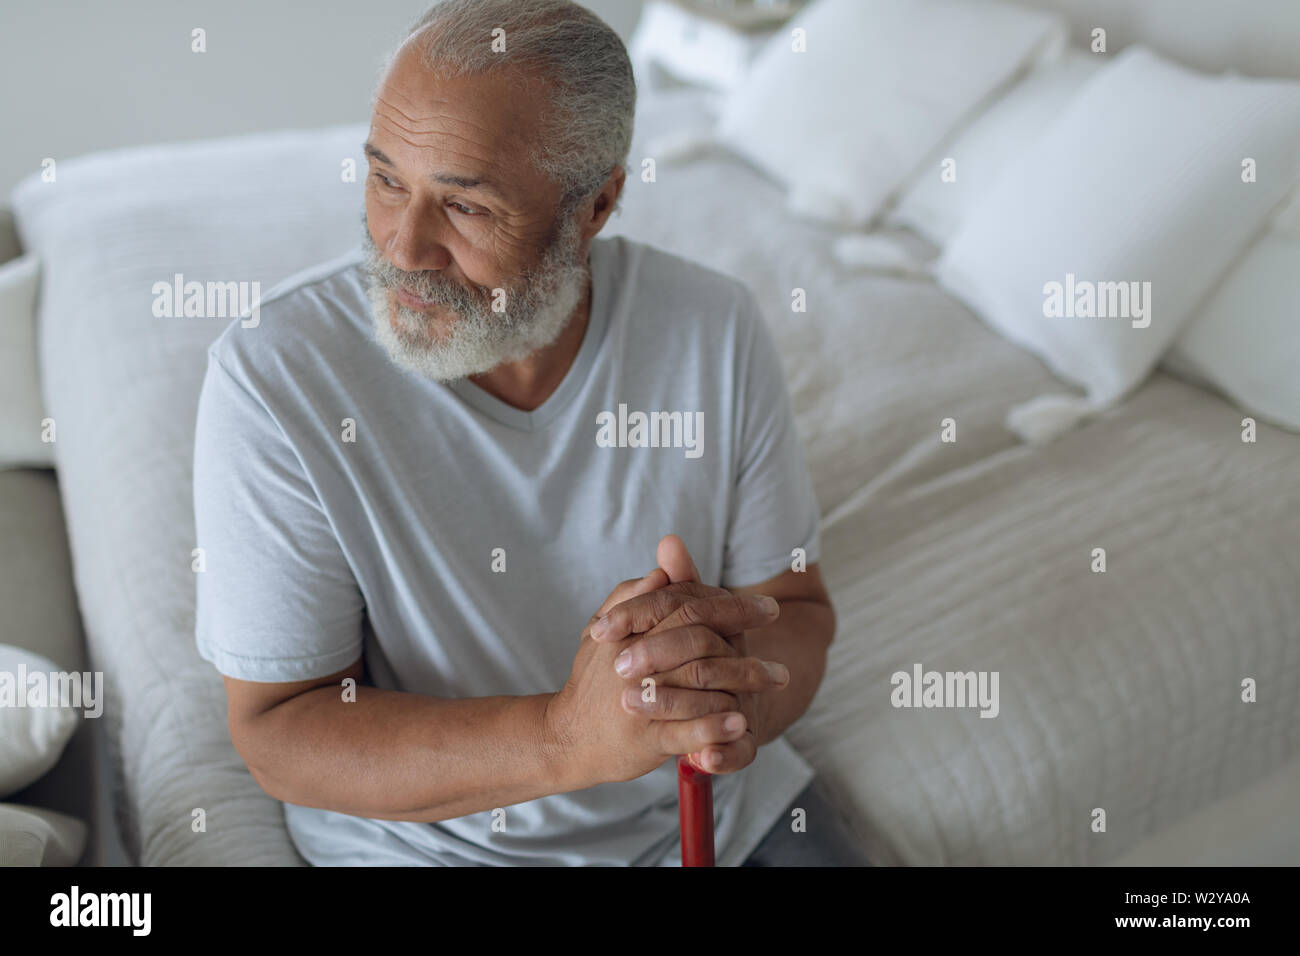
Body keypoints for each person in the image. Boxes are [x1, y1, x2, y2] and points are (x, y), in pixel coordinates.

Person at [194, 0, 865, 866]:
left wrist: (727, 711)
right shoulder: (273, 375)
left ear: (598, 206)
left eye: (465, 208)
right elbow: (281, 731)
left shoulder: (714, 325)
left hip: (724, 824)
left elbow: (796, 609)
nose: (402, 248)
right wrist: (565, 738)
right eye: (386, 179)